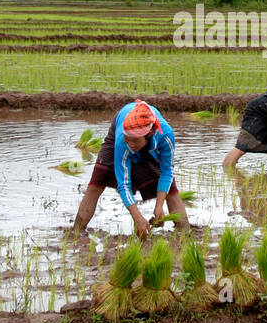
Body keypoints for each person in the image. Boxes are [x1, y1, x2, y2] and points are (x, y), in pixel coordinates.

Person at [71, 99, 188, 239]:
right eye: (128, 140)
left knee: (171, 189)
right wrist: (137, 217)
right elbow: (123, 184)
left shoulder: (166, 136)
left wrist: (159, 206)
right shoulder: (122, 141)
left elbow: (167, 172)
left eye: (136, 141)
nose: (131, 145)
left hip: (151, 140)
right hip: (120, 127)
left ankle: (185, 234)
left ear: (148, 134)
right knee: (97, 182)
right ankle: (75, 234)